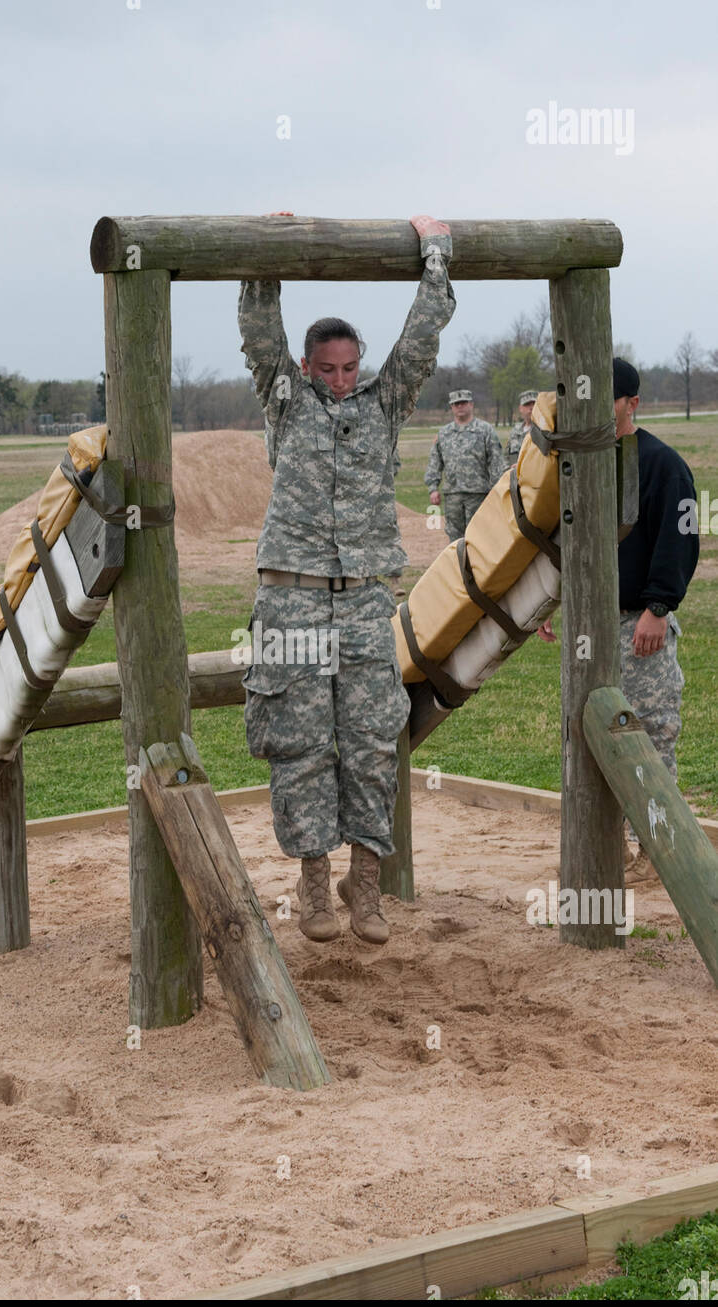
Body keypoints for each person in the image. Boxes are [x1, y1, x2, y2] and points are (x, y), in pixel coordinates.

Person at [238, 212, 456, 946]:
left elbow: (421, 341)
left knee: (369, 739)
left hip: (364, 599)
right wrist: (264, 251)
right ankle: (311, 882)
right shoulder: (284, 400)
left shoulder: (383, 407)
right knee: (299, 742)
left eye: (348, 368)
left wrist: (434, 253)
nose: (338, 380)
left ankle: (364, 884)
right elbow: (259, 330)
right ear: (306, 368)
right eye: (326, 369)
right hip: (291, 596)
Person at [537, 358, 700, 878]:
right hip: (589, 624)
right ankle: (611, 848)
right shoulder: (580, 462)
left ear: (633, 404)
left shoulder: (661, 464)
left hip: (638, 626)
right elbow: (566, 540)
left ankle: (658, 849)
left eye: (607, 400)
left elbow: (679, 543)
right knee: (588, 735)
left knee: (648, 737)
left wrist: (658, 608)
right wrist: (553, 601)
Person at [424, 390, 505, 540]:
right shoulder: (444, 433)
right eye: (456, 404)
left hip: (479, 494)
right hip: (453, 496)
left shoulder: (485, 430)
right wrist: (433, 488)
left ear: (471, 405)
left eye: (464, 403)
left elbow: (496, 461)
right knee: (455, 538)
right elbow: (435, 462)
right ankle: (458, 564)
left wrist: (498, 489)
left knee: (480, 536)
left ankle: (477, 564)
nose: (460, 406)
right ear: (452, 407)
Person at [506, 388, 538, 460]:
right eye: (527, 404)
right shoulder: (515, 431)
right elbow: (506, 456)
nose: (531, 408)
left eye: (534, 404)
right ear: (520, 408)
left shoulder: (543, 430)